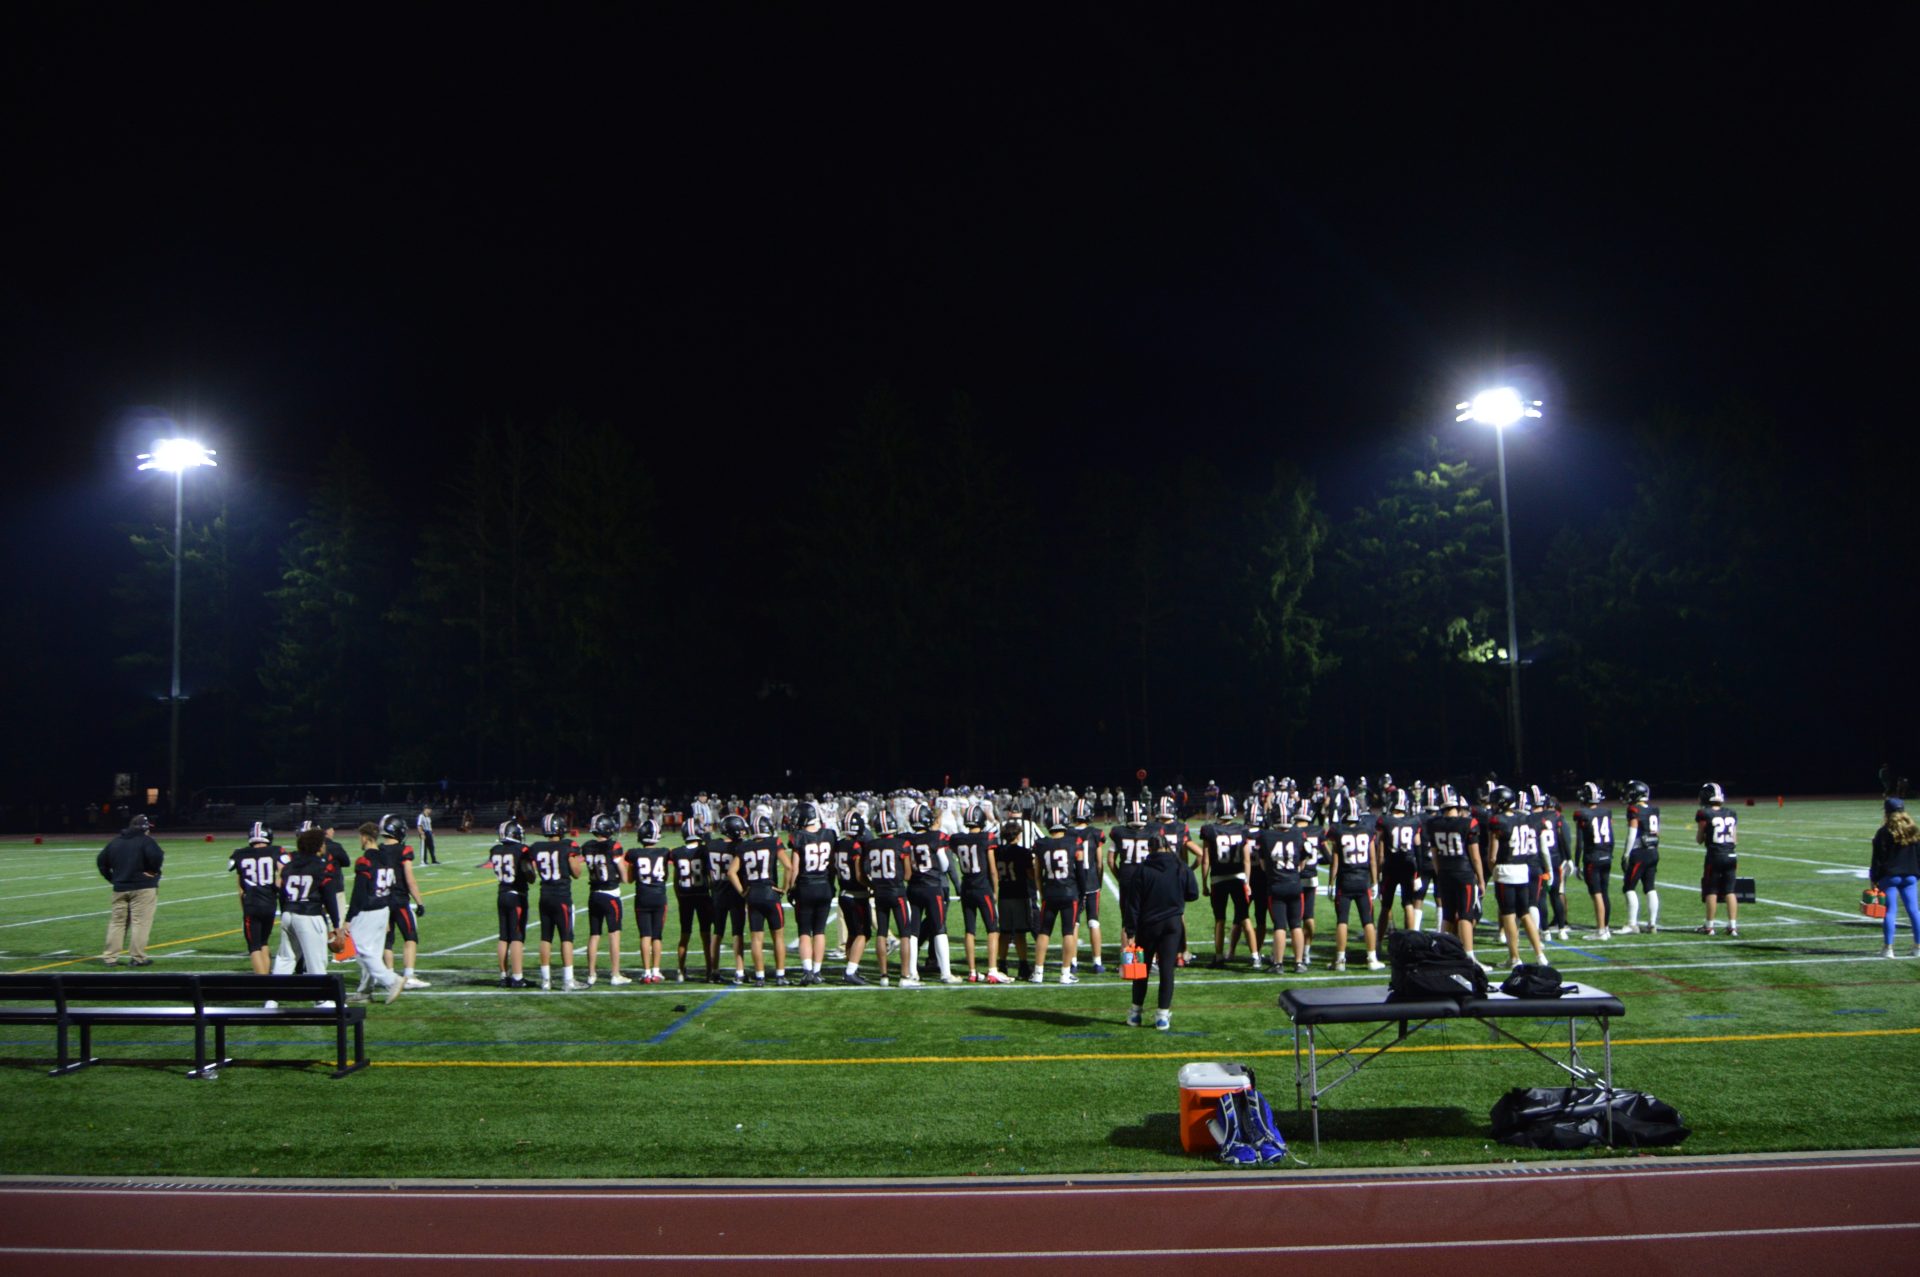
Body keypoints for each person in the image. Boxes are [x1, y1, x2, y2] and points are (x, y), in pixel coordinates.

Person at [1122, 830, 1199, 1031]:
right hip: (1172, 924)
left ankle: (1135, 1013)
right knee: (1167, 970)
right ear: (1167, 846)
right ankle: (1162, 1016)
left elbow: (1133, 905)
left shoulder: (1142, 870)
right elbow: (1193, 893)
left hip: (1146, 925)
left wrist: (1130, 932)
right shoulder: (1180, 867)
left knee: (1140, 971)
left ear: (1149, 849)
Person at [267, 827, 341, 1008]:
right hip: (309, 915)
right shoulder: (322, 866)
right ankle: (322, 999)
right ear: (317, 845)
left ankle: (271, 999)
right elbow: (329, 896)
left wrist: (287, 913)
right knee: (316, 959)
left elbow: (282, 894)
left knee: (285, 959)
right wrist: (336, 925)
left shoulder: (290, 866)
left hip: (289, 913)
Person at [343, 821, 405, 1004]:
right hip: (383, 909)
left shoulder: (365, 860)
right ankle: (365, 991)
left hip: (368, 910)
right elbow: (392, 886)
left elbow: (359, 893)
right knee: (373, 952)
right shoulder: (386, 858)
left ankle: (391, 980)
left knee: (362, 950)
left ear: (364, 837)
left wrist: (349, 918)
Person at [950, 805, 1008, 982]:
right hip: (983, 888)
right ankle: (992, 970)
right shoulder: (986, 838)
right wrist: (996, 890)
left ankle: (972, 971)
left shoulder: (958, 839)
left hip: (966, 887)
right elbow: (992, 870)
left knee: (970, 929)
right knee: (993, 928)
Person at [1328, 794, 1385, 971]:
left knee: (1342, 920)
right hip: (1362, 881)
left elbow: (1335, 859)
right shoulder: (1367, 831)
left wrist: (1331, 881)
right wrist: (1375, 882)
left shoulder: (1338, 831)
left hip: (1345, 880)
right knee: (1368, 920)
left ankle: (1340, 960)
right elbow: (1373, 860)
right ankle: (1372, 958)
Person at [98, 813, 164, 966]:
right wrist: (153, 873)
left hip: (120, 888)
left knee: (117, 923)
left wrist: (112, 878)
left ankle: (109, 957)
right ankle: (138, 958)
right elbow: (157, 858)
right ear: (145, 828)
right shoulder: (147, 841)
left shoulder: (115, 842)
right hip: (143, 888)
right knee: (140, 922)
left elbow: (101, 862)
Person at [529, 812, 583, 989]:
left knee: (546, 937)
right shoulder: (567, 846)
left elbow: (530, 870)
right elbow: (577, 873)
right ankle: (568, 980)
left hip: (544, 896)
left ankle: (546, 980)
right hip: (561, 897)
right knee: (566, 937)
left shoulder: (537, 847)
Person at [1030, 808, 1082, 983]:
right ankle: (1065, 974)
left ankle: (1038, 973)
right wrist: (1080, 894)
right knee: (1068, 932)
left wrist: (1042, 892)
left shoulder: (1041, 844)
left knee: (1044, 932)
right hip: (1069, 892)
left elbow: (1037, 874)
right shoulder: (1074, 842)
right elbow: (1081, 872)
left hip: (1050, 892)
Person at [787, 802, 836, 986]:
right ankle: (817, 971)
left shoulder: (798, 837)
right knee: (820, 931)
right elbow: (832, 865)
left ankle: (807, 971)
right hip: (824, 886)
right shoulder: (829, 834)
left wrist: (791, 888)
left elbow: (794, 868)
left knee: (804, 932)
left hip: (806, 887)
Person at [581, 814, 632, 987]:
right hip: (610, 895)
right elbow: (624, 877)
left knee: (594, 934)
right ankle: (615, 974)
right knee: (614, 934)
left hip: (593, 894)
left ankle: (591, 974)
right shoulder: (614, 846)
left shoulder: (587, 846)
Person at [380, 820, 431, 990]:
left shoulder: (378, 851)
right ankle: (408, 975)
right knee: (410, 937)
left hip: (382, 900)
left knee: (387, 940)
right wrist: (419, 901)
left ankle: (389, 977)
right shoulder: (404, 850)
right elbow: (409, 878)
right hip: (400, 900)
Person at [230, 822, 285, 975]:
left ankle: (263, 984)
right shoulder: (276, 851)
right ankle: (267, 979)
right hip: (270, 903)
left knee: (254, 947)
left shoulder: (240, 854)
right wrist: (276, 887)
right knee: (264, 942)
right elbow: (283, 872)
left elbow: (240, 888)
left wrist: (244, 908)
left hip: (252, 904)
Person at [483, 819, 533, 987]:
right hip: (516, 895)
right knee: (517, 937)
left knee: (504, 937)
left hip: (502, 893)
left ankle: (504, 976)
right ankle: (518, 977)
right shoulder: (521, 849)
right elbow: (529, 875)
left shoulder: (495, 850)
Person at [1870, 797, 1920, 959]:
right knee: (1914, 911)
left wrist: (1874, 877)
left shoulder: (1884, 832)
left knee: (1890, 911)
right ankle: (1918, 947)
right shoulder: (1913, 829)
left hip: (1890, 876)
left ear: (1886, 811)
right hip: (1910, 875)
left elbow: (1878, 858)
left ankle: (1888, 948)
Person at [623, 815, 667, 983]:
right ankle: (656, 971)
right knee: (657, 936)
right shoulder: (663, 852)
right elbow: (665, 876)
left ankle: (646, 972)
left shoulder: (634, 854)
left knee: (645, 935)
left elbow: (630, 878)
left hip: (642, 896)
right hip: (658, 897)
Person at [673, 820, 718, 982]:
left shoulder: (677, 852)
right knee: (706, 935)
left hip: (685, 897)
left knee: (684, 934)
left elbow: (676, 879)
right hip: (702, 895)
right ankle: (709, 970)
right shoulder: (704, 850)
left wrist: (679, 897)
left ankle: (680, 971)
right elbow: (711, 876)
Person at [1695, 782, 1740, 937]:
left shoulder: (1704, 813)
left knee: (1711, 891)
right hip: (1731, 855)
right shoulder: (1731, 813)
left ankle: (1709, 926)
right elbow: (1734, 839)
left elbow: (1699, 839)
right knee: (1730, 891)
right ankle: (1733, 926)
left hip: (1715, 856)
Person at [1574, 782, 1616, 940]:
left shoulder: (1582, 814)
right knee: (1604, 892)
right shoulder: (1606, 812)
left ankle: (1600, 931)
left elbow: (1579, 842)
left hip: (1592, 857)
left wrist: (1577, 863)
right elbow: (1611, 838)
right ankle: (1606, 928)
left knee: (1596, 894)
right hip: (1606, 855)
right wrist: (1610, 854)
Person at [1621, 780, 1663, 934]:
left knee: (1629, 887)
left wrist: (1626, 853)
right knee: (1650, 887)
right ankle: (1652, 924)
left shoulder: (1634, 809)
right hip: (1653, 851)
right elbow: (1657, 833)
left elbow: (1632, 833)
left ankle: (1632, 924)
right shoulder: (1654, 809)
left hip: (1640, 852)